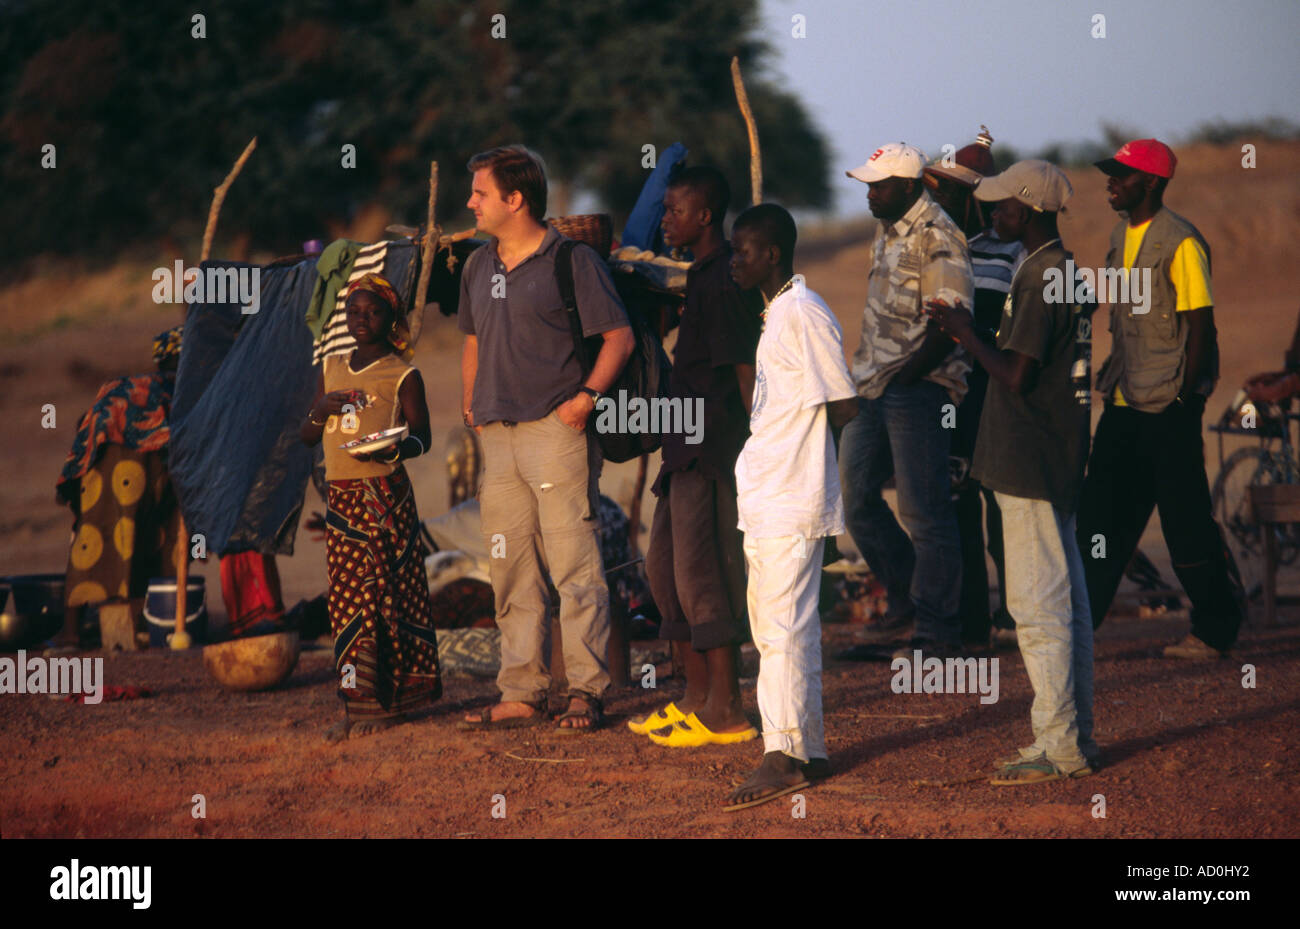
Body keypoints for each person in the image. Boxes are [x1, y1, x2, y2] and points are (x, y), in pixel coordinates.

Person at [929, 160, 1099, 784]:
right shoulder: (1066, 272)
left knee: (1038, 607)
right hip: (1055, 453)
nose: (994, 215)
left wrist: (963, 332)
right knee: (1067, 602)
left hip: (1028, 457)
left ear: (1024, 211)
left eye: (1001, 207)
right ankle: (1075, 736)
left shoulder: (1038, 278)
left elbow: (1018, 374)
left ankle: (1059, 747)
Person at [455, 145, 635, 733]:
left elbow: (618, 337)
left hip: (556, 433)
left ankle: (585, 690)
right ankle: (521, 690)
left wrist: (585, 400)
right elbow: (474, 340)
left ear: (515, 199)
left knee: (574, 565)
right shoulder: (478, 267)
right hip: (498, 439)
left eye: (480, 193)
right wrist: (471, 405)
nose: (470, 203)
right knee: (509, 567)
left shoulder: (572, 261)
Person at [1076, 139, 1244, 659]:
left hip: (1168, 405)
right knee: (1100, 516)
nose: (1111, 182)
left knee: (1184, 519)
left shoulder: (1181, 242)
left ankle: (1215, 629)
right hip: (1123, 400)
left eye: (1121, 176)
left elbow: (1201, 326)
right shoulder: (1118, 235)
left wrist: (1186, 400)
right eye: (1111, 174)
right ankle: (1080, 624)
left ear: (1150, 183)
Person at [724, 204, 859, 810]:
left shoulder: (802, 313)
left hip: (789, 495)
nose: (735, 260)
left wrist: (806, 465)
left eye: (743, 251)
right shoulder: (778, 312)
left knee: (779, 632)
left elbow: (844, 402)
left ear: (772, 253)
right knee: (787, 630)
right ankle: (810, 750)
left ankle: (781, 756)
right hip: (772, 495)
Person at [629, 166, 762, 747]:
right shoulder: (702, 276)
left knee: (702, 576)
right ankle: (695, 698)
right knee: (665, 573)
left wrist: (757, 443)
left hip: (711, 447)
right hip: (684, 447)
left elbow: (744, 373)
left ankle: (726, 709)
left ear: (705, 217)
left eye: (675, 212)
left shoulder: (724, 279)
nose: (667, 220)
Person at [839, 142, 974, 660]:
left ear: (911, 185)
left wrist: (906, 381)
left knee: (925, 512)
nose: (870, 194)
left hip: (918, 390)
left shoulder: (938, 236)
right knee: (854, 499)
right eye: (868, 185)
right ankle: (907, 606)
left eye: (879, 185)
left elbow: (949, 326)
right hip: (872, 385)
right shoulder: (888, 229)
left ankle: (938, 634)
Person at [300, 273, 442, 742]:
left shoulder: (402, 372)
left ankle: (393, 705)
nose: (363, 319)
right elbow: (305, 434)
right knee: (346, 607)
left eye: (374, 311)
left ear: (391, 319)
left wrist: (392, 451)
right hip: (342, 504)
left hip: (386, 500)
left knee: (387, 600)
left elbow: (421, 437)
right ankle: (356, 706)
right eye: (355, 311)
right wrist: (322, 407)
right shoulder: (331, 367)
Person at [922, 126, 1024, 647]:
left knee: (1001, 506)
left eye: (948, 191)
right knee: (958, 501)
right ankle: (972, 622)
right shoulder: (948, 246)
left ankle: (1012, 617)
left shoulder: (1012, 253)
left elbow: (1003, 326)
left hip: (997, 394)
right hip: (954, 397)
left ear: (974, 197)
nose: (936, 197)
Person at [56, 325, 185, 648]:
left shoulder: (131, 385)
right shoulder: (186, 389)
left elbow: (83, 423)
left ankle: (72, 630)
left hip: (99, 456)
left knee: (93, 532)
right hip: (144, 462)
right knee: (160, 532)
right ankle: (158, 622)